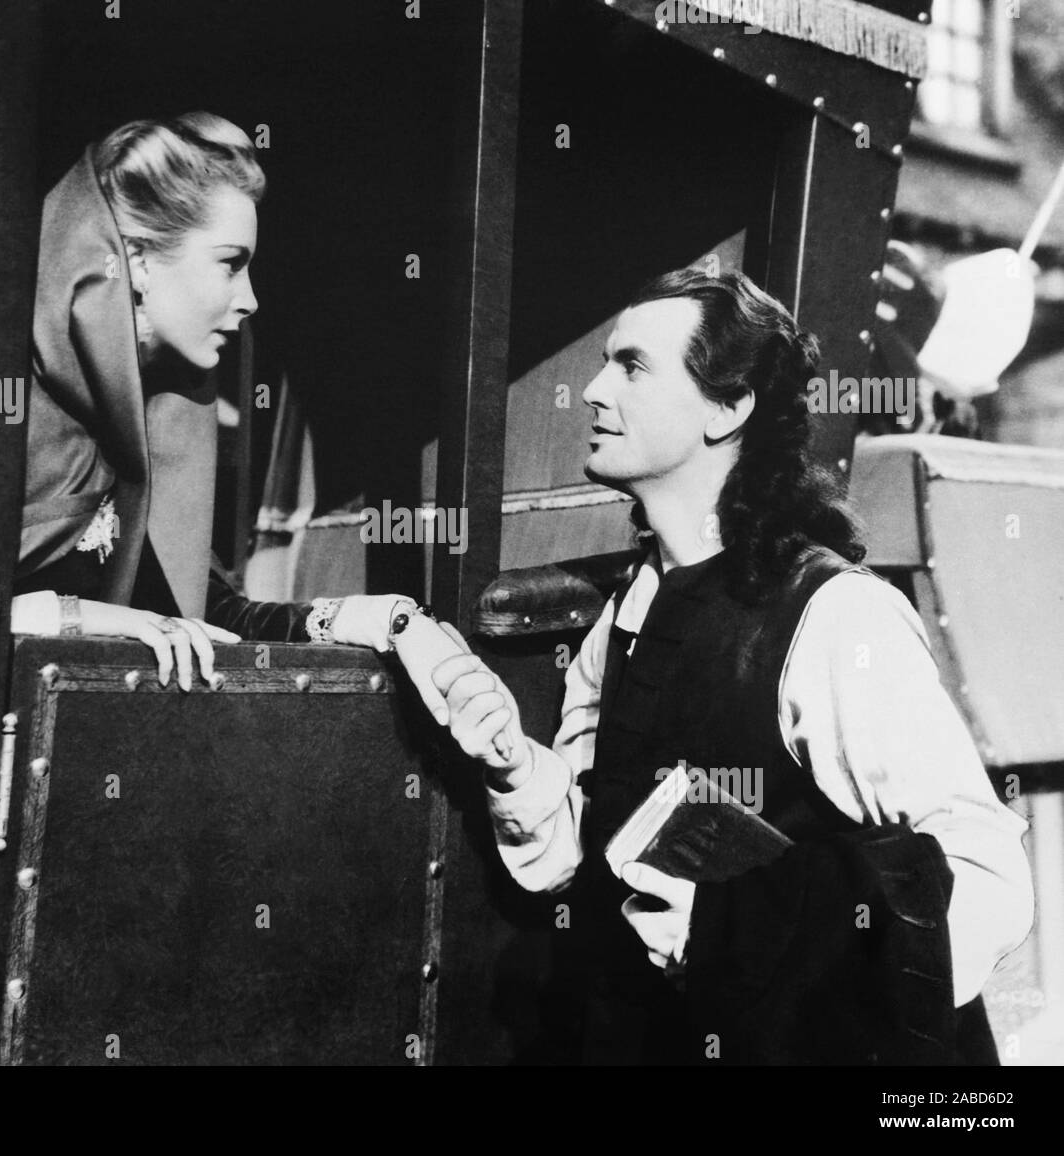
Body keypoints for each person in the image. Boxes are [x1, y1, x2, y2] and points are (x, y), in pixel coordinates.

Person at [422, 269, 1034, 1064]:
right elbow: (592, 859)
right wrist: (512, 768)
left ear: (729, 407)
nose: (595, 392)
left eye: (633, 366)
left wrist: (737, 929)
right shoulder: (630, 612)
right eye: (605, 361)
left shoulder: (835, 616)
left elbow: (987, 877)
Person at [0, 113, 409, 679]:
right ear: (135, 259)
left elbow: (208, 615)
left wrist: (377, 622)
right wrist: (68, 618)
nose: (250, 299)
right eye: (229, 262)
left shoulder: (142, 424)